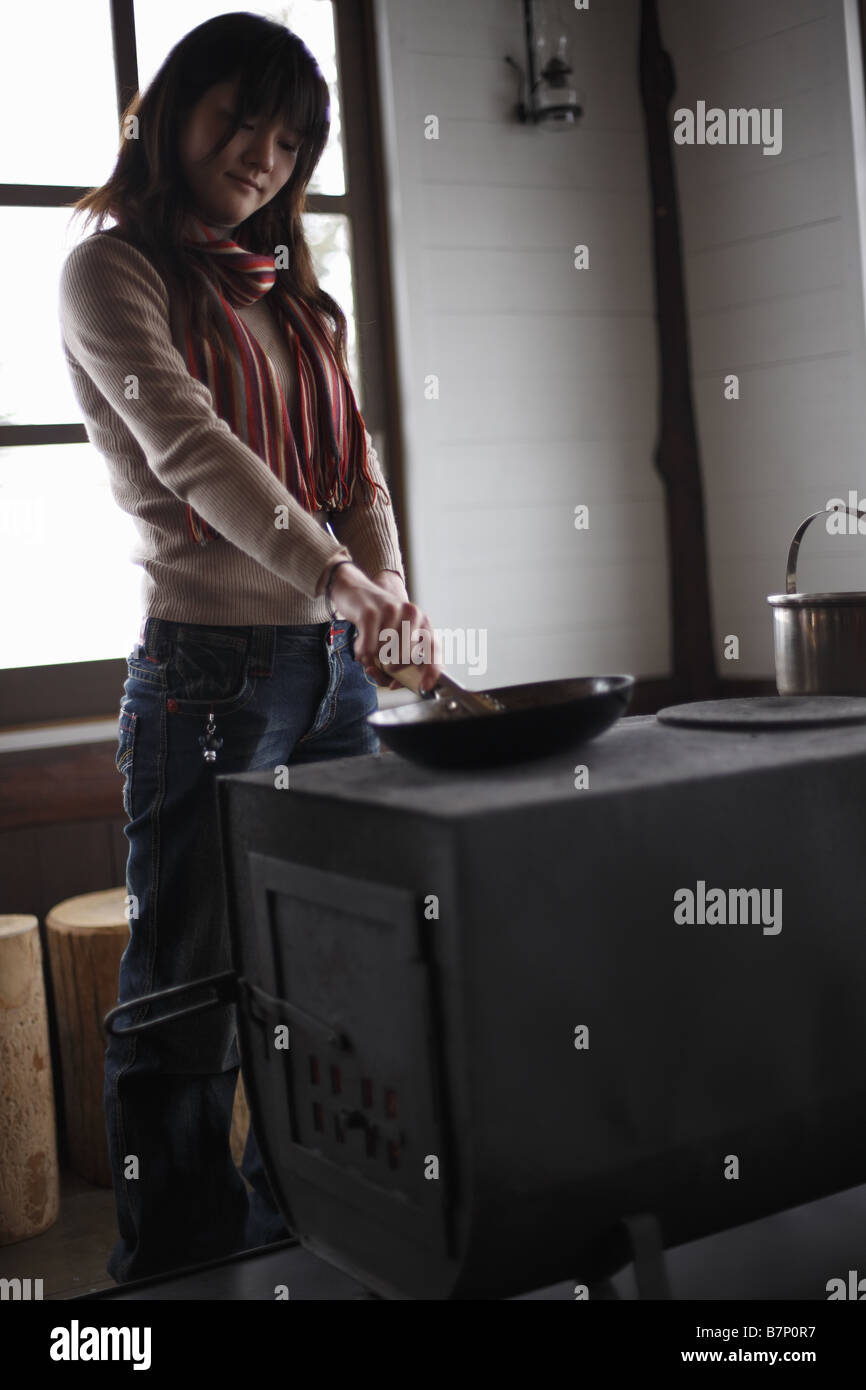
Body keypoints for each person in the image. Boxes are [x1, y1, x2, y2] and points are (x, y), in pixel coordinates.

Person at [57, 11, 441, 1284]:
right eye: (240, 120)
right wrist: (337, 579)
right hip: (208, 674)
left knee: (319, 968)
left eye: (288, 142)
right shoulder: (115, 273)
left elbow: (356, 468)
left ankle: (301, 1232)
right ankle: (173, 1265)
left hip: (327, 675)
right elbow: (190, 450)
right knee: (188, 986)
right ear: (174, 109)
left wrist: (388, 594)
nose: (262, 156)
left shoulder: (297, 297)